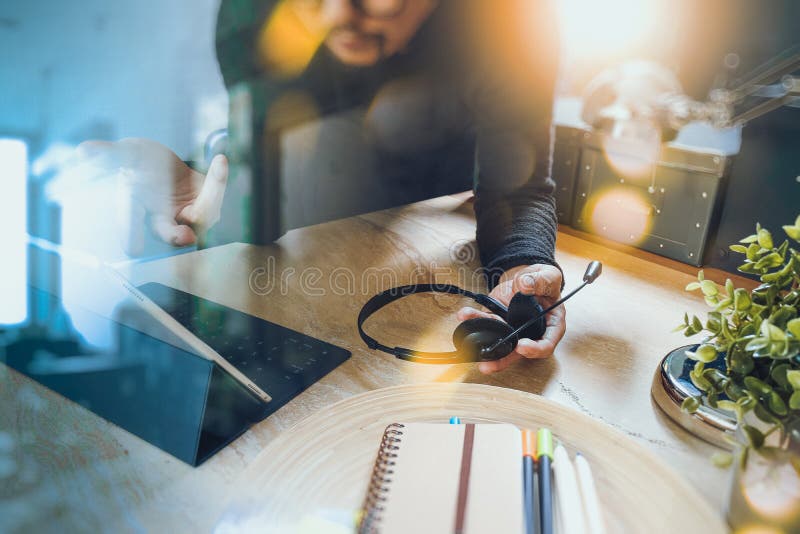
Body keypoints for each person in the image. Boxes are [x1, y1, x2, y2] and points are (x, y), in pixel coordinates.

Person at [79, 0, 565, 374]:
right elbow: (271, 184)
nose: (336, 15)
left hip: (442, 185)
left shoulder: (515, 22)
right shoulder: (254, 15)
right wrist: (208, 190)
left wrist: (523, 274)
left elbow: (515, 187)